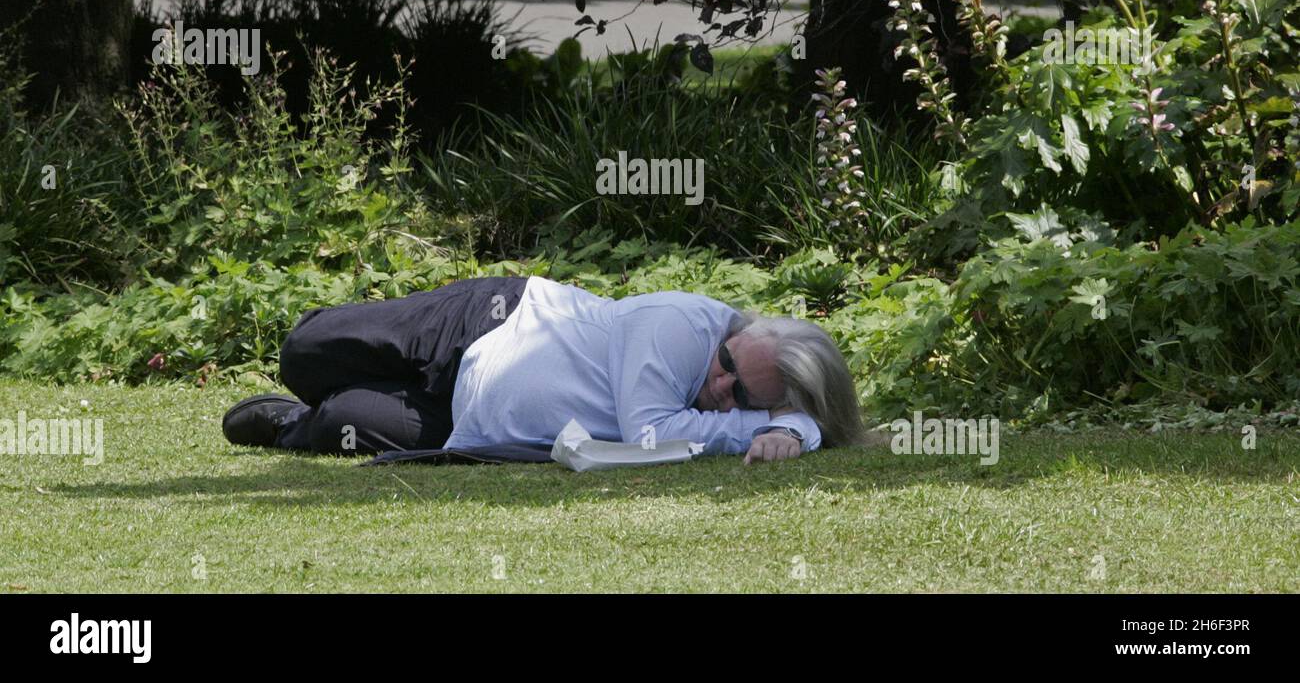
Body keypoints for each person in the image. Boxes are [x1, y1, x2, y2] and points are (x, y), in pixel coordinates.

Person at [222, 275, 868, 463]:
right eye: (728, 366)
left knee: (343, 418)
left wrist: (794, 428)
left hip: (464, 424)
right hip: (486, 324)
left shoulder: (752, 404)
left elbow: (801, 424)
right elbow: (649, 435)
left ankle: (290, 426)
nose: (718, 386)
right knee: (306, 352)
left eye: (739, 397)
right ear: (739, 332)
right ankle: (309, 388)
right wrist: (766, 424)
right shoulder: (684, 321)